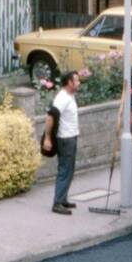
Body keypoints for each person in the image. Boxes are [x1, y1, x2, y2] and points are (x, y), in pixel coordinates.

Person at [42, 71, 80, 214]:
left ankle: (62, 199)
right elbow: (50, 117)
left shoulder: (69, 96)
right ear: (69, 82)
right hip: (65, 139)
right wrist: (47, 138)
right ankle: (57, 203)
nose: (79, 83)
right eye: (76, 80)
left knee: (69, 170)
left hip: (71, 136)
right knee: (64, 170)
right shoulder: (62, 98)